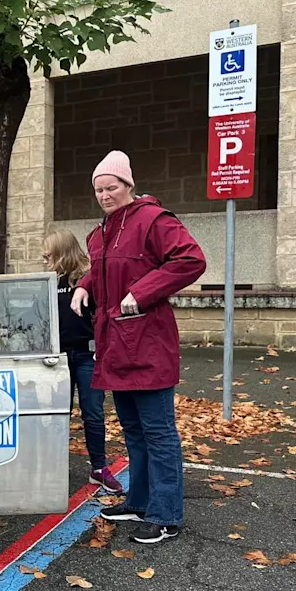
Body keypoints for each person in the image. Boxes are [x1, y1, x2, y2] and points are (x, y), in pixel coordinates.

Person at [71, 151, 206, 545]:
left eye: (111, 187)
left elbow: (191, 260)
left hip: (148, 346)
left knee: (159, 432)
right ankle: (141, 501)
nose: (104, 194)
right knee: (133, 431)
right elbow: (103, 272)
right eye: (98, 189)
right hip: (116, 346)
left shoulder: (154, 221)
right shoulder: (99, 233)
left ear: (128, 186)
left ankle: (166, 516)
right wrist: (84, 285)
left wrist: (142, 293)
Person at [43, 228, 122, 495]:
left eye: (49, 255)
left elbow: (104, 314)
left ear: (63, 252)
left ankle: (99, 468)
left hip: (88, 356)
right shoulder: (47, 282)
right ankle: (52, 469)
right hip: (58, 358)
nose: (45, 260)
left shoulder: (88, 279)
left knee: (93, 413)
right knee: (56, 415)